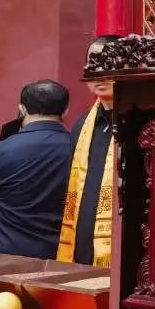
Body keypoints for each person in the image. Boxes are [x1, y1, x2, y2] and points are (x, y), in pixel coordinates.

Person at [0, 81, 72, 258]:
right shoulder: (79, 150)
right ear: (65, 111)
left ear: (21, 109)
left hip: (3, 263)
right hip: (61, 260)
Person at [59, 35, 120, 269]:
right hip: (81, 249)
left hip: (126, 248)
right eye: (93, 63)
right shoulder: (83, 124)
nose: (99, 72)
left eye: (109, 62)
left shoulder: (141, 121)